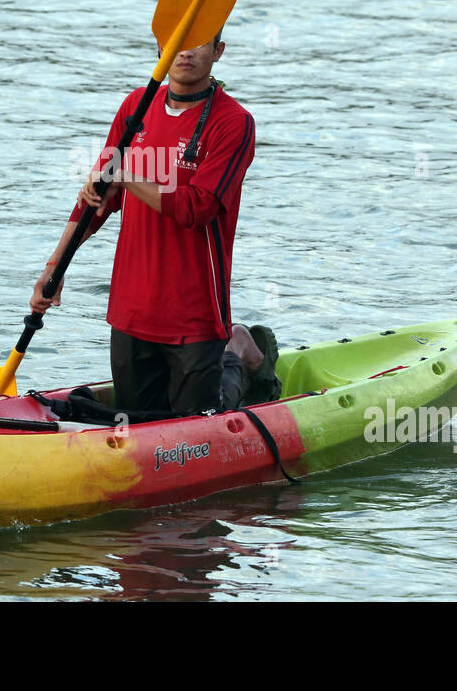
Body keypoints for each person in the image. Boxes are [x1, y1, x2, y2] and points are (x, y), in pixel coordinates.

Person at [29, 30, 280, 415]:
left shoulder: (234, 123)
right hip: (131, 312)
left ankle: (239, 357)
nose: (186, 52)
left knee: (196, 425)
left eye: (200, 43)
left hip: (195, 314)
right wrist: (54, 267)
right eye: (178, 41)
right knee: (140, 425)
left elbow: (195, 209)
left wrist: (126, 175)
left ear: (218, 52)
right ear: (161, 50)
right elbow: (94, 202)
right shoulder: (136, 107)